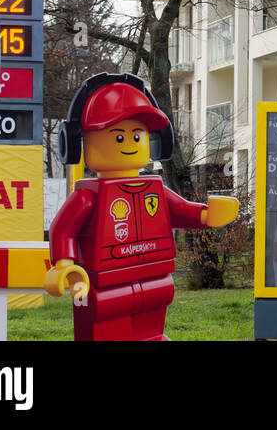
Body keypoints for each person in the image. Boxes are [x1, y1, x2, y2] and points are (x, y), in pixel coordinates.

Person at [42, 79, 238, 340]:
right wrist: (64, 264)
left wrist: (205, 214)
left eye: (138, 135)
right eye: (119, 136)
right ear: (78, 142)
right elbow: (63, 229)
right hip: (104, 283)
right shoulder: (88, 195)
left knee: (151, 327)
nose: (131, 143)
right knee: (106, 327)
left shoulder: (154, 188)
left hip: (155, 277)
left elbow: (179, 209)